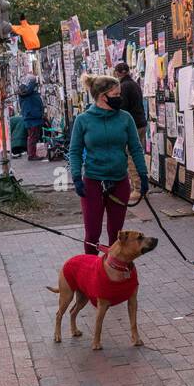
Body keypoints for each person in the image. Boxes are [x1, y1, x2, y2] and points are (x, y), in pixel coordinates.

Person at [68, 73, 149, 256]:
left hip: (119, 181)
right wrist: (76, 177)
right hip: (93, 181)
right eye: (115, 96)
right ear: (101, 96)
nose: (119, 99)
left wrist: (143, 176)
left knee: (116, 234)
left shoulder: (125, 118)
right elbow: (74, 151)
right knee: (92, 233)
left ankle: (113, 272)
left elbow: (135, 148)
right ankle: (90, 271)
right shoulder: (83, 120)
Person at [113, 61, 147, 202]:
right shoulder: (134, 84)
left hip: (133, 124)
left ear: (118, 73)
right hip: (141, 123)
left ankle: (137, 189)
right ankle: (141, 186)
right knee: (137, 153)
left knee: (131, 156)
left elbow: (123, 107)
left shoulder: (124, 87)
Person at [18, 73, 46, 160]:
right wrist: (33, 80)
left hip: (32, 117)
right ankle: (32, 154)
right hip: (32, 118)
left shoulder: (27, 93)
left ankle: (32, 153)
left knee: (33, 136)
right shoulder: (27, 92)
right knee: (33, 137)